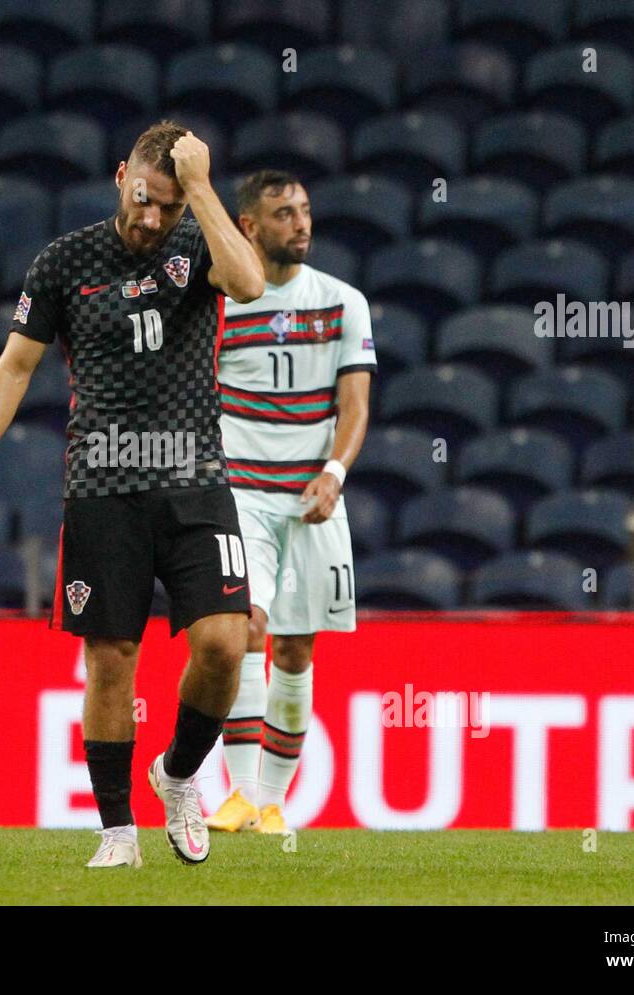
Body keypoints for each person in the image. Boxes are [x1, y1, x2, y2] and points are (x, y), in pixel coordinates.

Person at [0, 121, 264, 867]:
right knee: (112, 658)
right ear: (119, 174)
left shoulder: (198, 240)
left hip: (195, 481)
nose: (152, 218)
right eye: (142, 198)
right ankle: (117, 830)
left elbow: (251, 284)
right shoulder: (64, 263)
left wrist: (201, 190)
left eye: (167, 204)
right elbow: (15, 365)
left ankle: (180, 773)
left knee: (225, 642)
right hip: (103, 485)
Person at [205, 170, 375, 836]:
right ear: (249, 227)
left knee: (298, 649)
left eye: (304, 211)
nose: (300, 224)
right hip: (240, 492)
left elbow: (354, 406)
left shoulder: (343, 302)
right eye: (283, 214)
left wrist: (333, 473)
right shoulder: (218, 303)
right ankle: (239, 793)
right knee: (248, 624)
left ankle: (274, 804)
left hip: (313, 498)